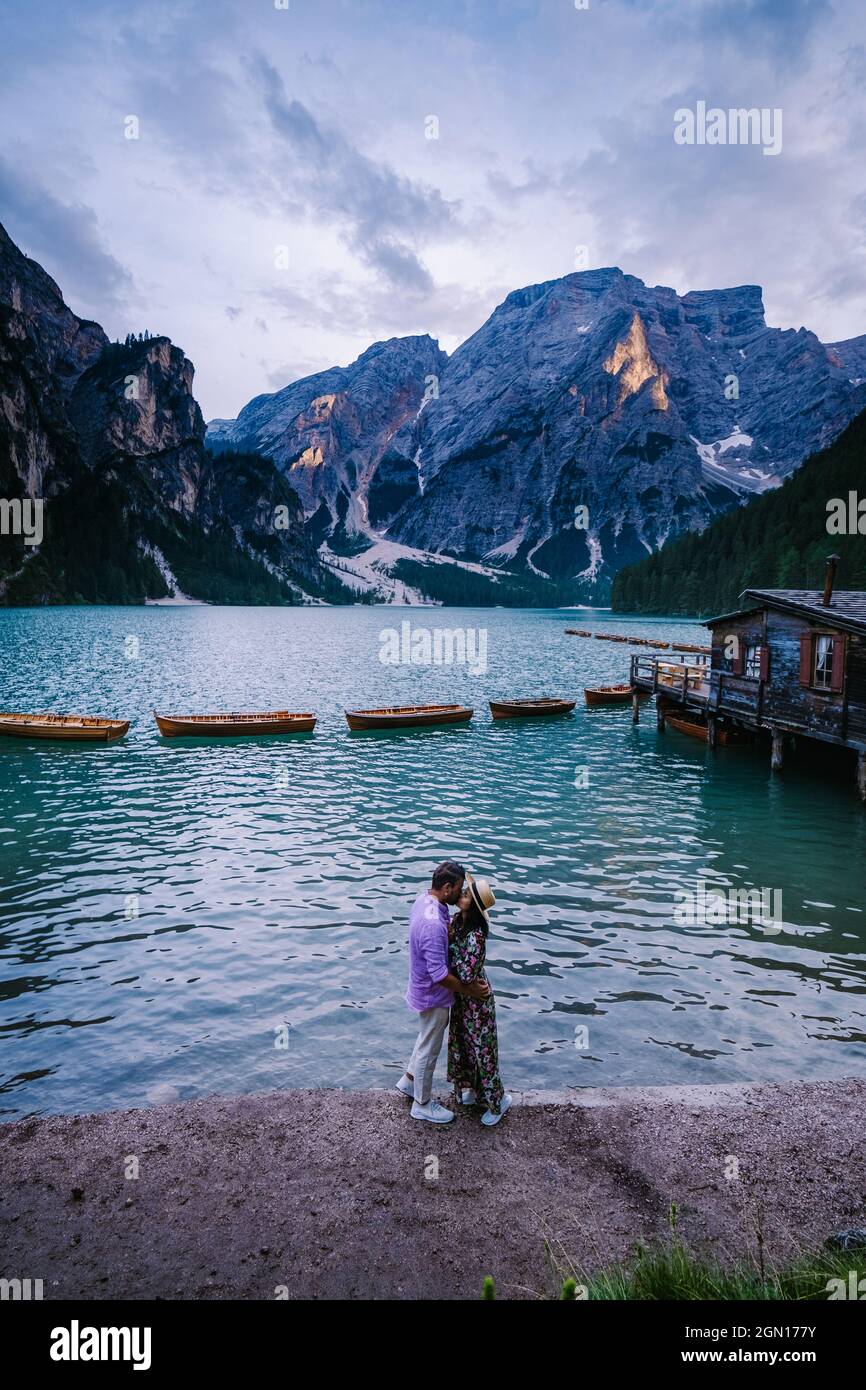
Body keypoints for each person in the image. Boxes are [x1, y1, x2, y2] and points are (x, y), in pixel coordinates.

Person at [396, 861, 491, 1124]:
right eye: (459, 889)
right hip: (432, 995)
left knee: (425, 1037)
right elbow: (439, 975)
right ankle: (422, 1104)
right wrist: (470, 989)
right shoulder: (434, 924)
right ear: (447, 888)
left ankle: (409, 1080)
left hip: (420, 987)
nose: (461, 894)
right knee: (430, 1048)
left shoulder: (424, 903)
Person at [447, 874, 512, 1126]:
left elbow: (465, 974)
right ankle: (475, 1092)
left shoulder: (475, 935)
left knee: (483, 1051)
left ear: (473, 905)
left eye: (465, 894)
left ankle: (498, 1102)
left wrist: (447, 957)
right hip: (465, 1000)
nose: (460, 895)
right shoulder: (458, 923)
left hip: (477, 1002)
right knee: (466, 1046)